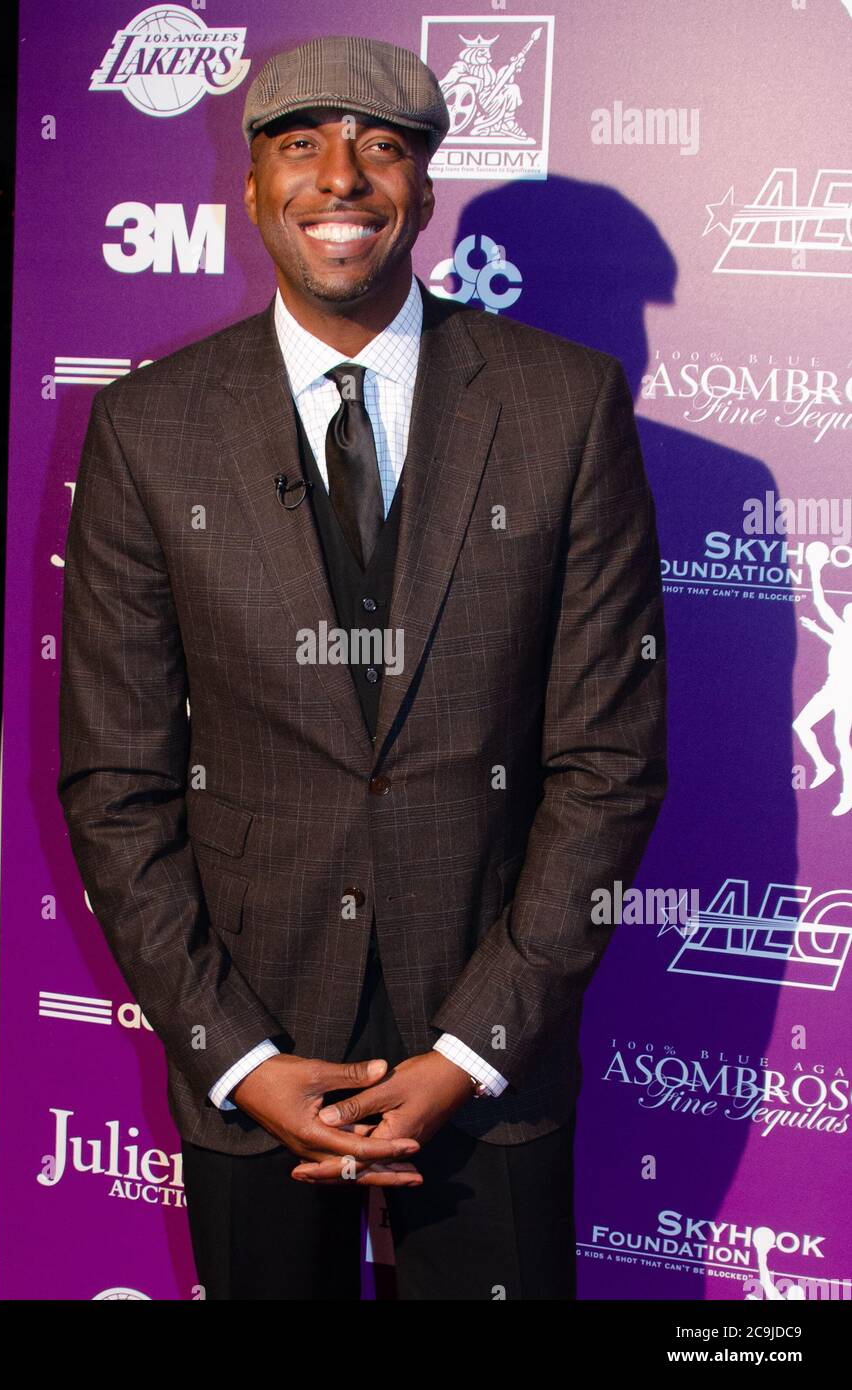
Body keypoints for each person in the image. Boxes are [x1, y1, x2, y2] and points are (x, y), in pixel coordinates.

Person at [57, 34, 668, 1301]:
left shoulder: (565, 407)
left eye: (379, 146)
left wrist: (465, 1050)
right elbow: (116, 781)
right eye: (302, 145)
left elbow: (607, 761)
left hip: (488, 1050)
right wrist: (236, 1055)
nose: (340, 176)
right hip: (253, 1041)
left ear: (423, 192)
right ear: (251, 190)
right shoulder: (146, 427)